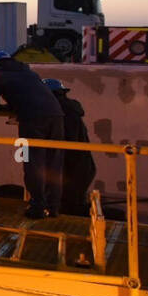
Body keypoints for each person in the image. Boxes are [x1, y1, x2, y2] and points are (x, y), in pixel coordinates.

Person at [0, 51, 64, 218]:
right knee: (54, 163)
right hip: (57, 117)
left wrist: (11, 108)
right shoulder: (29, 72)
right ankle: (53, 207)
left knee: (30, 161)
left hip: (31, 120)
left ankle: (37, 207)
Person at [45, 78, 97, 216]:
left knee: (69, 207)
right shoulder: (70, 109)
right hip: (82, 165)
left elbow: (68, 141)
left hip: (72, 167)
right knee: (73, 203)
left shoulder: (60, 112)